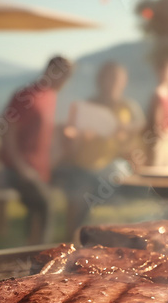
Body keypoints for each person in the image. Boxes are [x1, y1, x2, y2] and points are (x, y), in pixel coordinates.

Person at [56, 61, 144, 240]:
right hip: (84, 166)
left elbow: (139, 130)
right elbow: (70, 132)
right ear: (100, 80)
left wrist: (126, 134)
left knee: (114, 179)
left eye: (117, 79)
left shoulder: (128, 107)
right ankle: (70, 241)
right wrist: (77, 136)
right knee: (79, 195)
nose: (112, 83)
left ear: (123, 82)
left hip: (112, 169)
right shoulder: (88, 105)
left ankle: (105, 241)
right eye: (109, 78)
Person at [2, 56, 74, 244]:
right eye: (64, 76)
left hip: (42, 170)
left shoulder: (52, 96)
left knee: (79, 186)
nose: (66, 82)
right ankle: (40, 256)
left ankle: (30, 252)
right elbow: (8, 133)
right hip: (16, 168)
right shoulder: (26, 96)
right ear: (51, 72)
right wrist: (21, 168)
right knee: (45, 205)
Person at [146, 58, 168, 167]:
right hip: (160, 140)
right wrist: (160, 133)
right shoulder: (158, 93)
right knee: (159, 169)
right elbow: (157, 120)